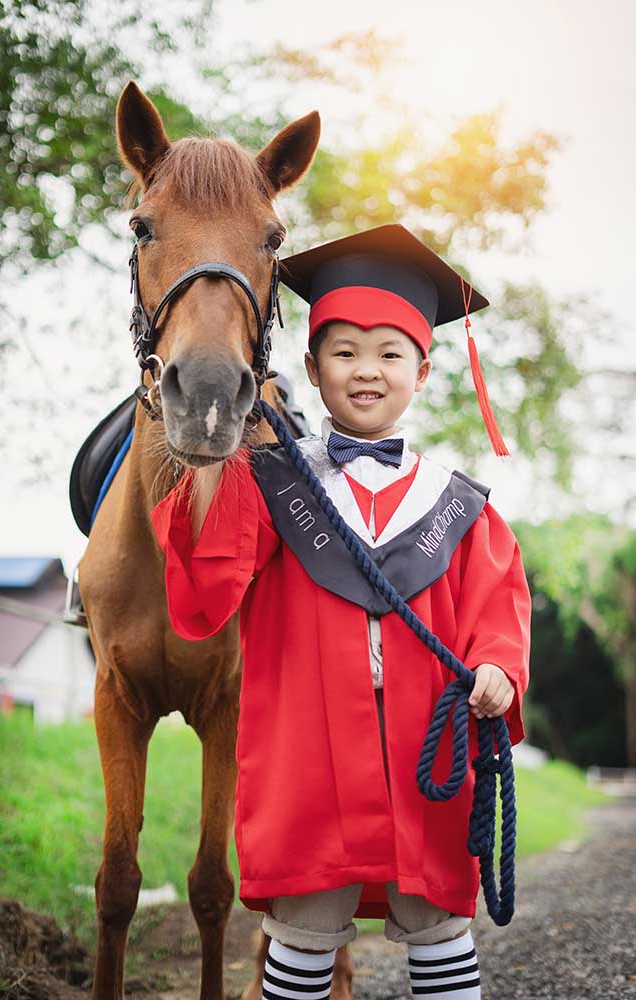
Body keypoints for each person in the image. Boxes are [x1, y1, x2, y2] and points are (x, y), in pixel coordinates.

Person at [150, 224, 531, 1000]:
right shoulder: (270, 486)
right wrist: (214, 450)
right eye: (345, 352)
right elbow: (207, 583)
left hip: (426, 750)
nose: (367, 371)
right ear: (312, 369)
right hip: (305, 751)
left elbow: (498, 608)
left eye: (389, 354)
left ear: (421, 372)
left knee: (437, 928)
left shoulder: (457, 507)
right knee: (303, 924)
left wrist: (496, 667)